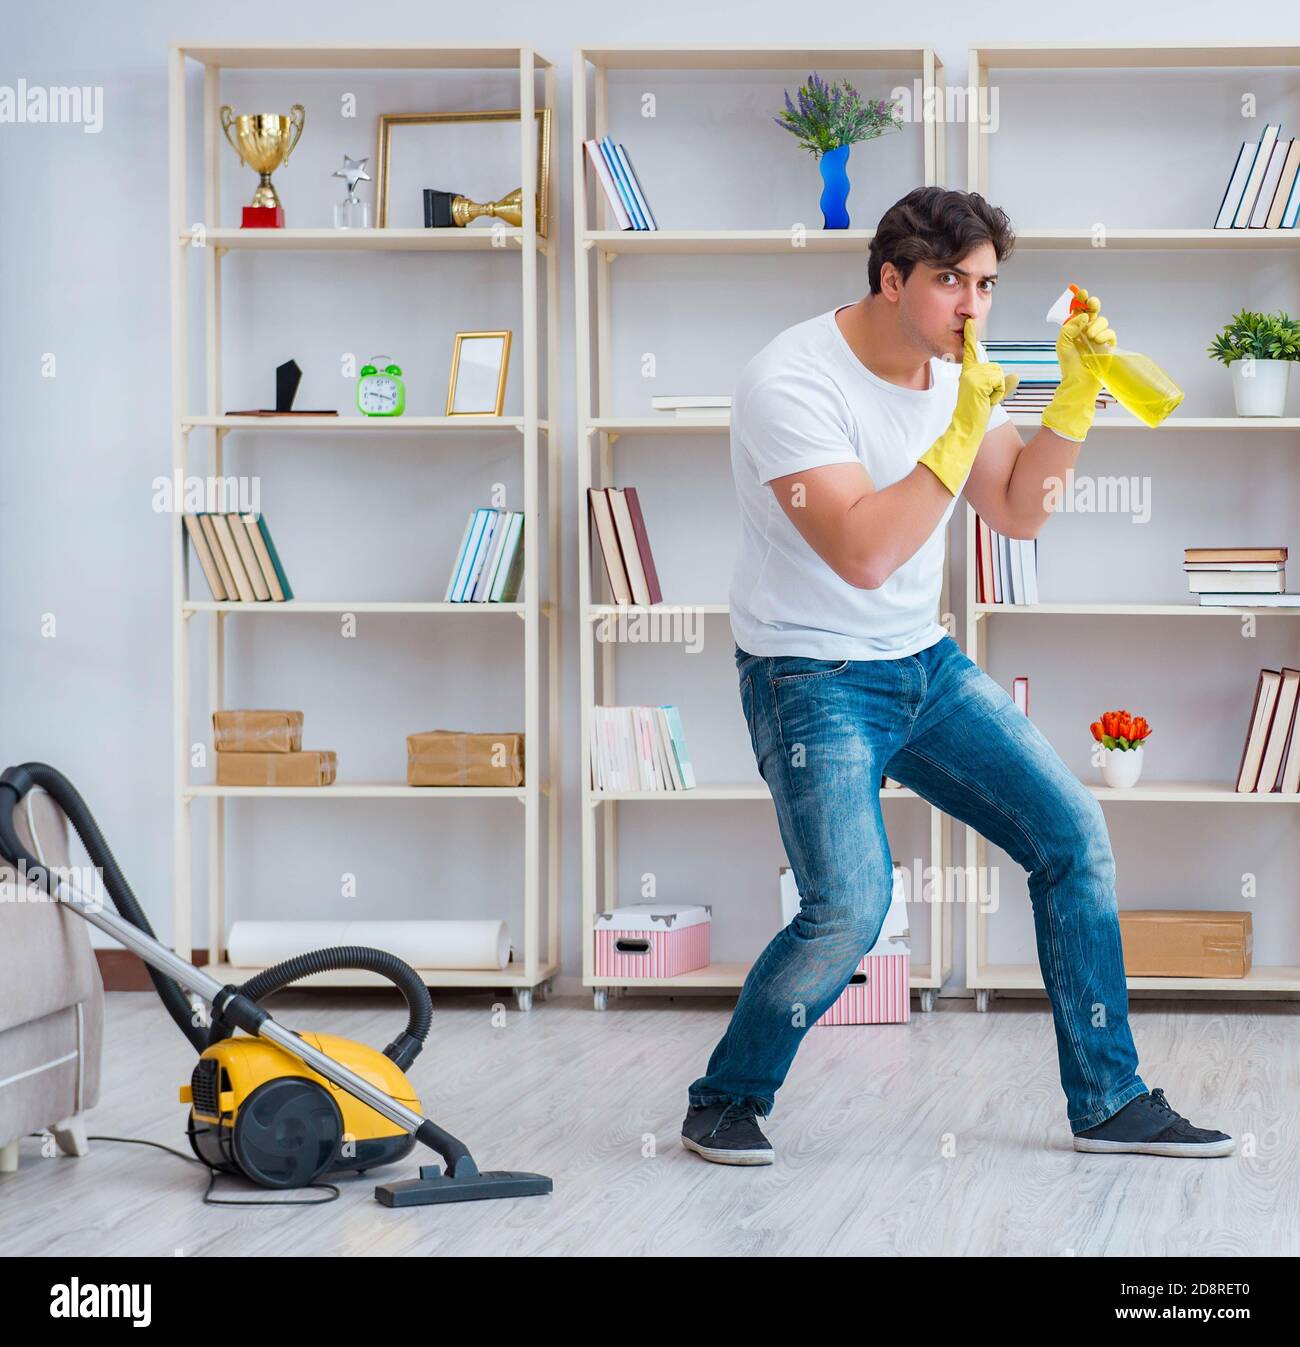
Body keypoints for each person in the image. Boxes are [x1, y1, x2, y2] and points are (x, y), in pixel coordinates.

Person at [681, 186, 1233, 1165]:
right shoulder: (791, 383)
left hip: (919, 662)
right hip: (806, 671)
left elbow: (1022, 509)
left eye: (984, 284)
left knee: (1073, 838)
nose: (973, 308)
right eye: (949, 283)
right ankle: (726, 1096)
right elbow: (863, 552)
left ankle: (1107, 1100)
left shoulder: (957, 370)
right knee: (850, 905)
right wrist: (960, 422)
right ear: (890, 280)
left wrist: (1069, 396)